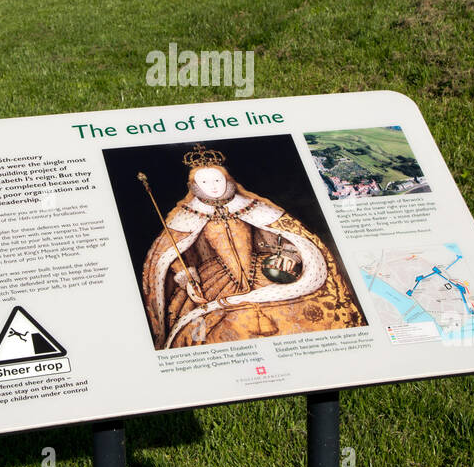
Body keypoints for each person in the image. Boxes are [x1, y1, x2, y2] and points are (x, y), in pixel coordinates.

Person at [140, 144, 366, 349]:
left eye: (217, 180)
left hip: (263, 271)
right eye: (205, 182)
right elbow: (174, 254)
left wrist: (289, 255)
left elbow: (284, 235)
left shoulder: (252, 206)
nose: (214, 186)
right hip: (213, 280)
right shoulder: (186, 217)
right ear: (195, 186)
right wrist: (186, 277)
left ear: (227, 179)